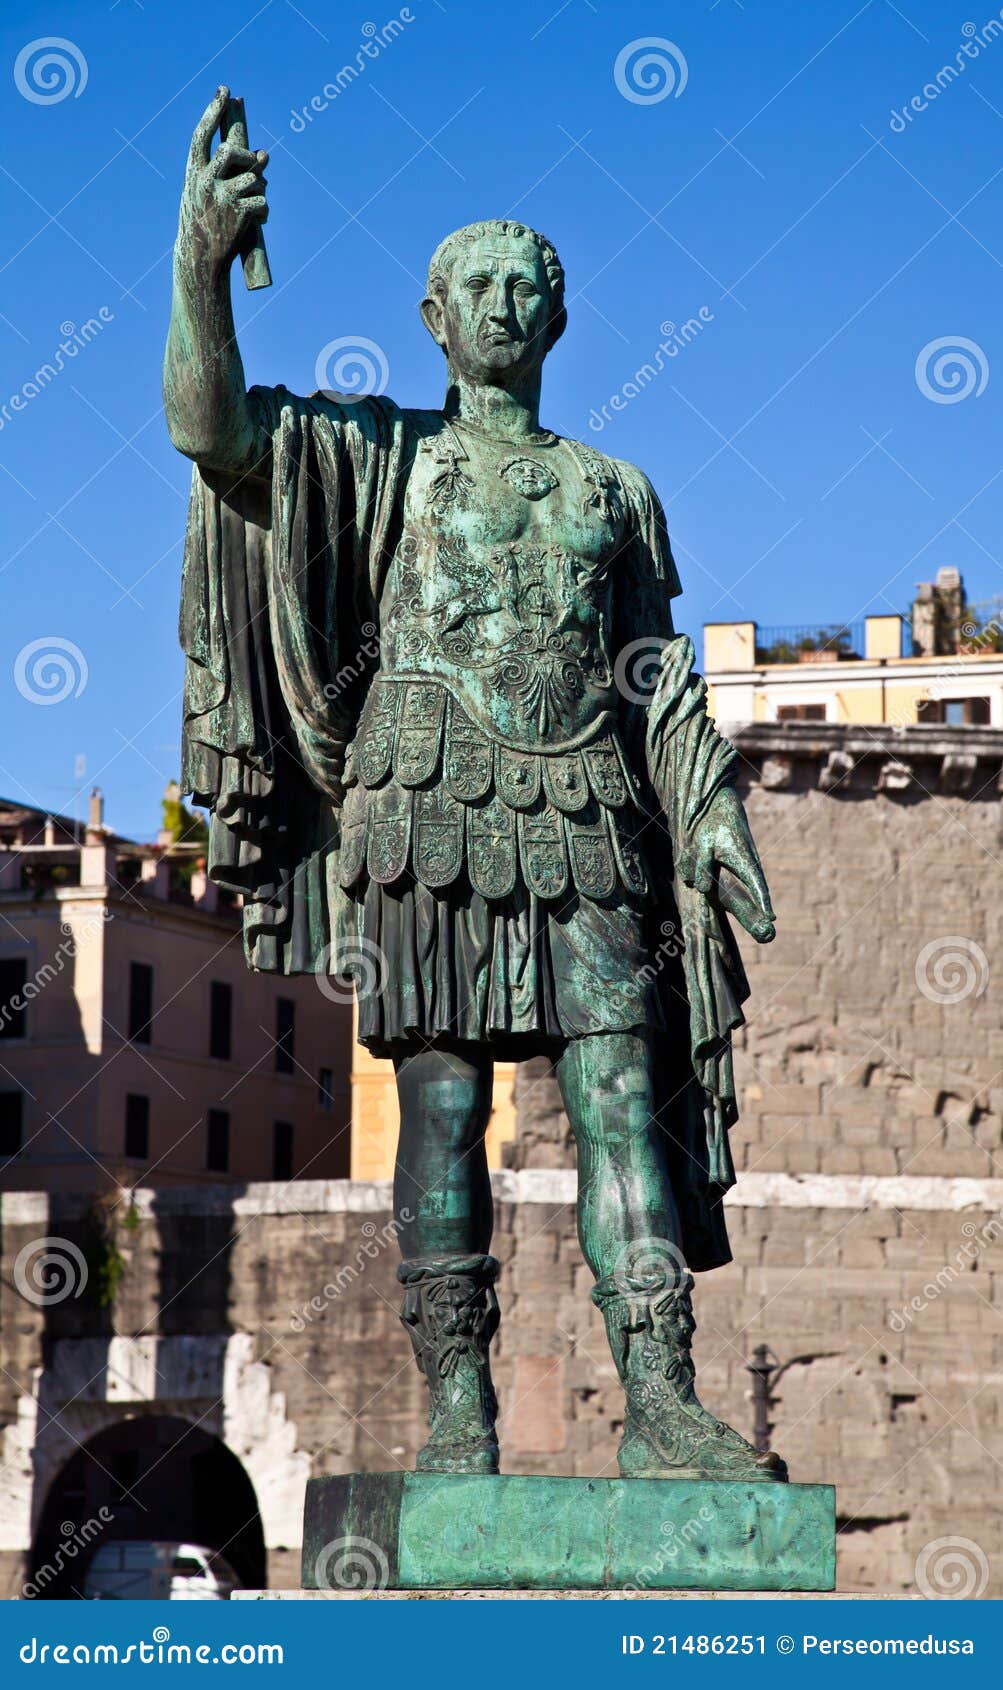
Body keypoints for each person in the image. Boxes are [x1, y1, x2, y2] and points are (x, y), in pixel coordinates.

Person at [165, 87, 786, 1484]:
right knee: (443, 1104)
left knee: (624, 1094)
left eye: (529, 285)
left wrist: (707, 808)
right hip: (424, 808)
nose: (505, 303)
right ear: (434, 320)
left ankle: (666, 1405)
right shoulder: (376, 456)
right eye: (477, 285)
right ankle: (459, 1416)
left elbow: (653, 673)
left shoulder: (612, 489)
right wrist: (200, 270)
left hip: (586, 819)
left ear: (557, 321)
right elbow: (211, 435)